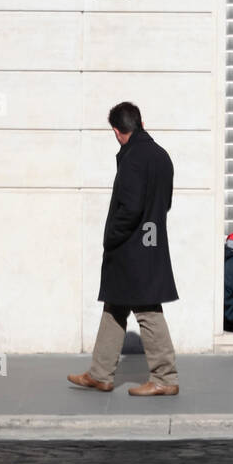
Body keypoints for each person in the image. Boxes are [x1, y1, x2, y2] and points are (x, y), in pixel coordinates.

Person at [69, 102, 180, 396]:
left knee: (147, 309)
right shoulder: (161, 156)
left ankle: (165, 378)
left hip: (131, 247)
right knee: (115, 306)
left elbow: (129, 209)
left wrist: (112, 237)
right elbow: (164, 204)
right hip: (150, 240)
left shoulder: (133, 158)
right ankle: (100, 373)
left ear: (118, 131)